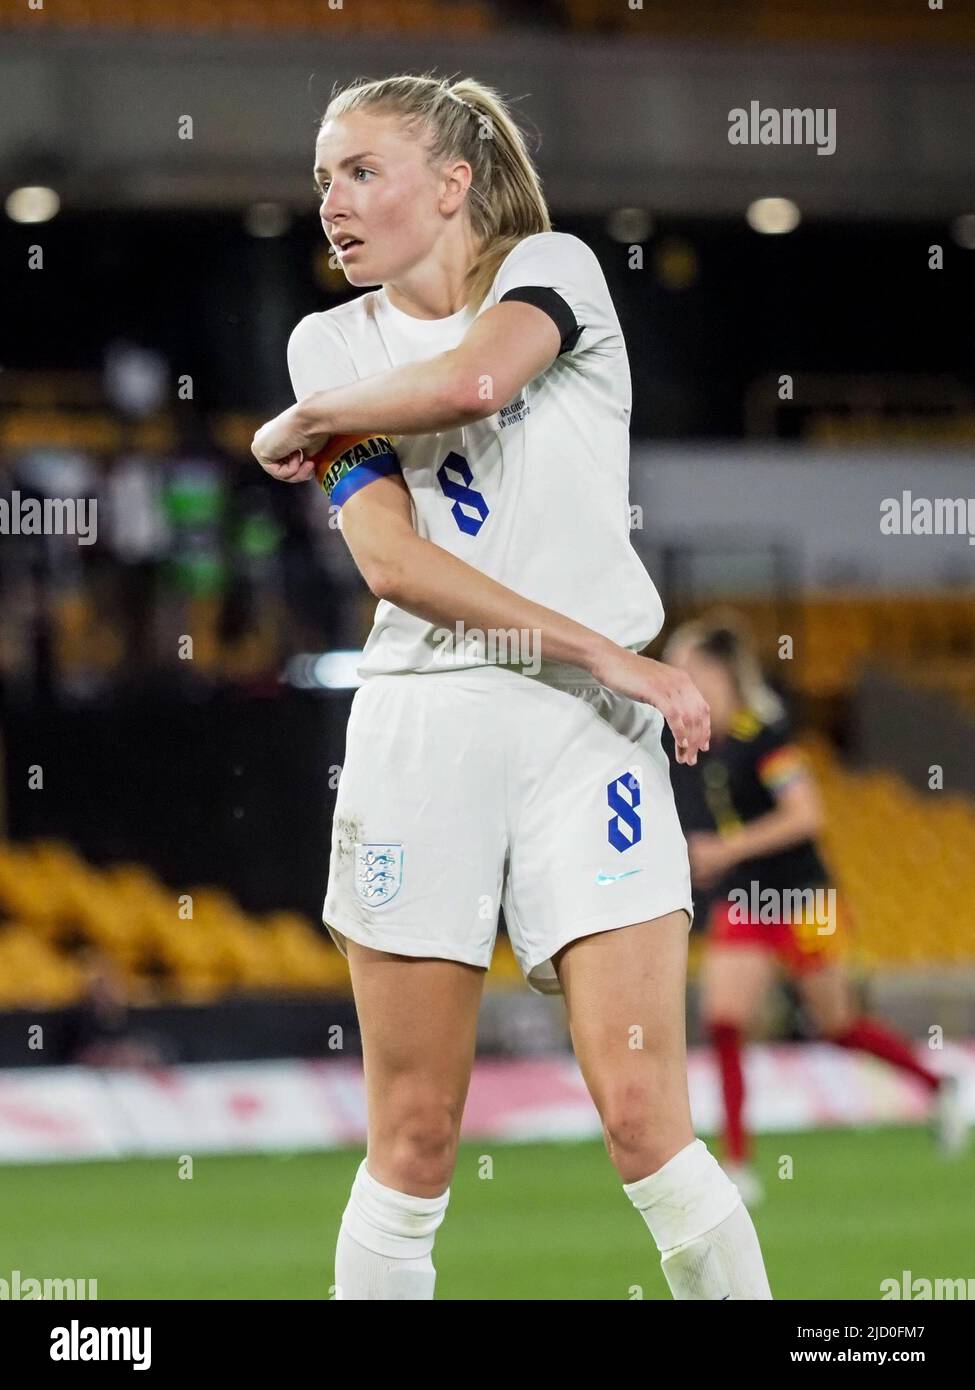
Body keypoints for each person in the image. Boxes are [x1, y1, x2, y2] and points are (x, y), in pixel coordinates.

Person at [252, 74, 771, 1300]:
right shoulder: (330, 342)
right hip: (426, 725)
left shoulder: (555, 269)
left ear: (451, 184)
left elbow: (479, 382)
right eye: (323, 176)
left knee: (646, 1111)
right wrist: (602, 645)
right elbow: (393, 563)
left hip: (586, 736)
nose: (331, 199)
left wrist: (303, 423)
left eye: (360, 170)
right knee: (417, 1137)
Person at [664, 615, 969, 1206]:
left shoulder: (766, 735)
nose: (681, 675)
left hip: (807, 897)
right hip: (746, 896)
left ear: (721, 672)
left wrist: (726, 848)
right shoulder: (697, 745)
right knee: (725, 1020)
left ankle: (940, 1086)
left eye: (692, 664)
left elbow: (808, 815)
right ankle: (740, 1164)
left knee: (837, 1025)